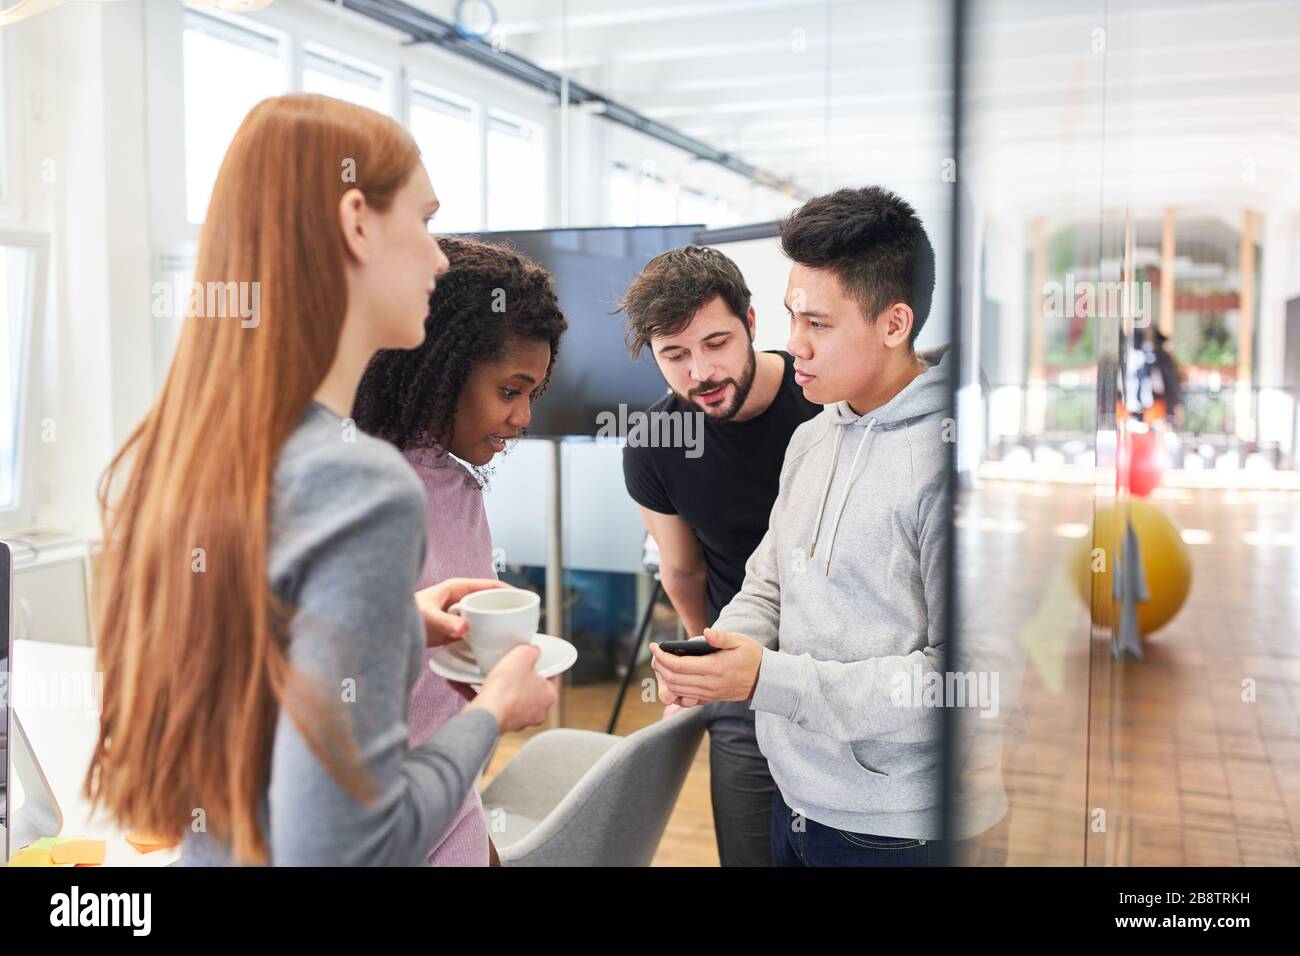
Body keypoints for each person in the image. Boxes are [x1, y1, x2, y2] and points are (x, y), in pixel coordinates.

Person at [84, 94, 555, 866]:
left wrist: (395, 622)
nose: (440, 257)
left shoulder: (193, 448)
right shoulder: (360, 483)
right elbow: (343, 844)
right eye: (425, 221)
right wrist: (491, 714)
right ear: (358, 223)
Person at [650, 186, 963, 866]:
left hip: (894, 825)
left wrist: (767, 681)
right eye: (793, 319)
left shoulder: (948, 464)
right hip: (795, 798)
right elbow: (768, 582)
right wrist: (719, 652)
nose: (793, 348)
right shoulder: (814, 437)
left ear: (894, 323)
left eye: (817, 325)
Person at [352, 236, 567, 865]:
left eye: (534, 393)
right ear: (442, 371)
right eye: (510, 390)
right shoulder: (347, 492)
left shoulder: (455, 485)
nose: (525, 417)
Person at [617, 245, 820, 866]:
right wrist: (706, 655)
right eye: (674, 355)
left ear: (752, 326)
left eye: (715, 343)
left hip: (839, 657)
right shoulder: (653, 442)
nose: (700, 371)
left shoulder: (822, 401)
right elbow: (681, 569)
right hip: (741, 670)